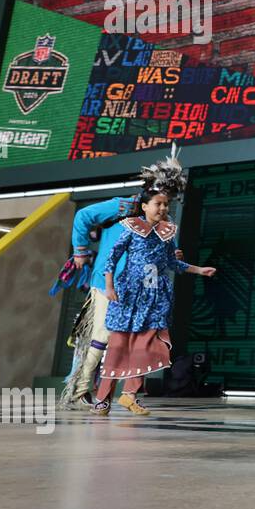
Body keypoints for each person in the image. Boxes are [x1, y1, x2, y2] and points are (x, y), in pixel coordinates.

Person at [61, 147, 188, 408]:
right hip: (109, 283)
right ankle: (81, 389)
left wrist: (171, 254)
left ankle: (117, 393)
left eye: (169, 200)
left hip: (138, 291)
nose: (165, 204)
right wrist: (80, 252)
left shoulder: (160, 223)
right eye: (162, 198)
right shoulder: (123, 206)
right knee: (103, 333)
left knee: (132, 339)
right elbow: (83, 216)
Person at [92, 188, 215, 416]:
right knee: (118, 346)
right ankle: (102, 399)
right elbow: (112, 258)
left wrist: (199, 270)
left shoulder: (167, 233)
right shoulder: (131, 228)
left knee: (146, 345)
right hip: (128, 294)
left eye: (166, 204)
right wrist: (109, 286)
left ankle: (130, 394)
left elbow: (171, 262)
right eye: (158, 204)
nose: (163, 208)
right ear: (145, 207)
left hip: (155, 296)